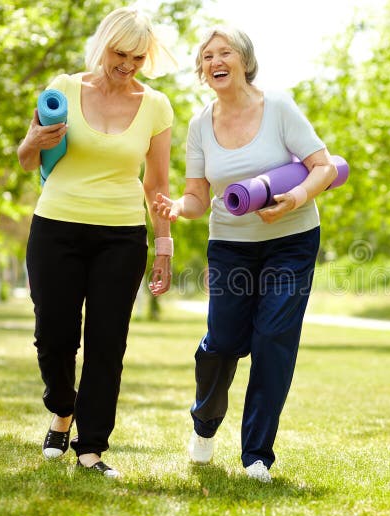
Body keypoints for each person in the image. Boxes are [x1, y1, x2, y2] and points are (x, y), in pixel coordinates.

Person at [153, 26, 339, 483]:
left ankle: (257, 455)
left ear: (244, 60)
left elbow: (325, 167)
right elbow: (197, 196)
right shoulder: (200, 124)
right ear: (203, 70)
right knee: (222, 342)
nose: (215, 60)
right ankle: (204, 423)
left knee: (273, 340)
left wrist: (293, 200)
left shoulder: (277, 107)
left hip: (292, 240)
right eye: (207, 56)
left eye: (225, 52)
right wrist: (177, 208)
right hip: (231, 245)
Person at [17, 6, 177, 478]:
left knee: (107, 342)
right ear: (104, 43)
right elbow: (28, 161)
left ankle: (91, 447)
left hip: (122, 236)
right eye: (120, 53)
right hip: (57, 227)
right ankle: (61, 411)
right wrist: (33, 140)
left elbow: (158, 186)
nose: (127, 64)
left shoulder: (156, 105)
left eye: (138, 57)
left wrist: (164, 248)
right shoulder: (63, 88)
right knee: (54, 335)